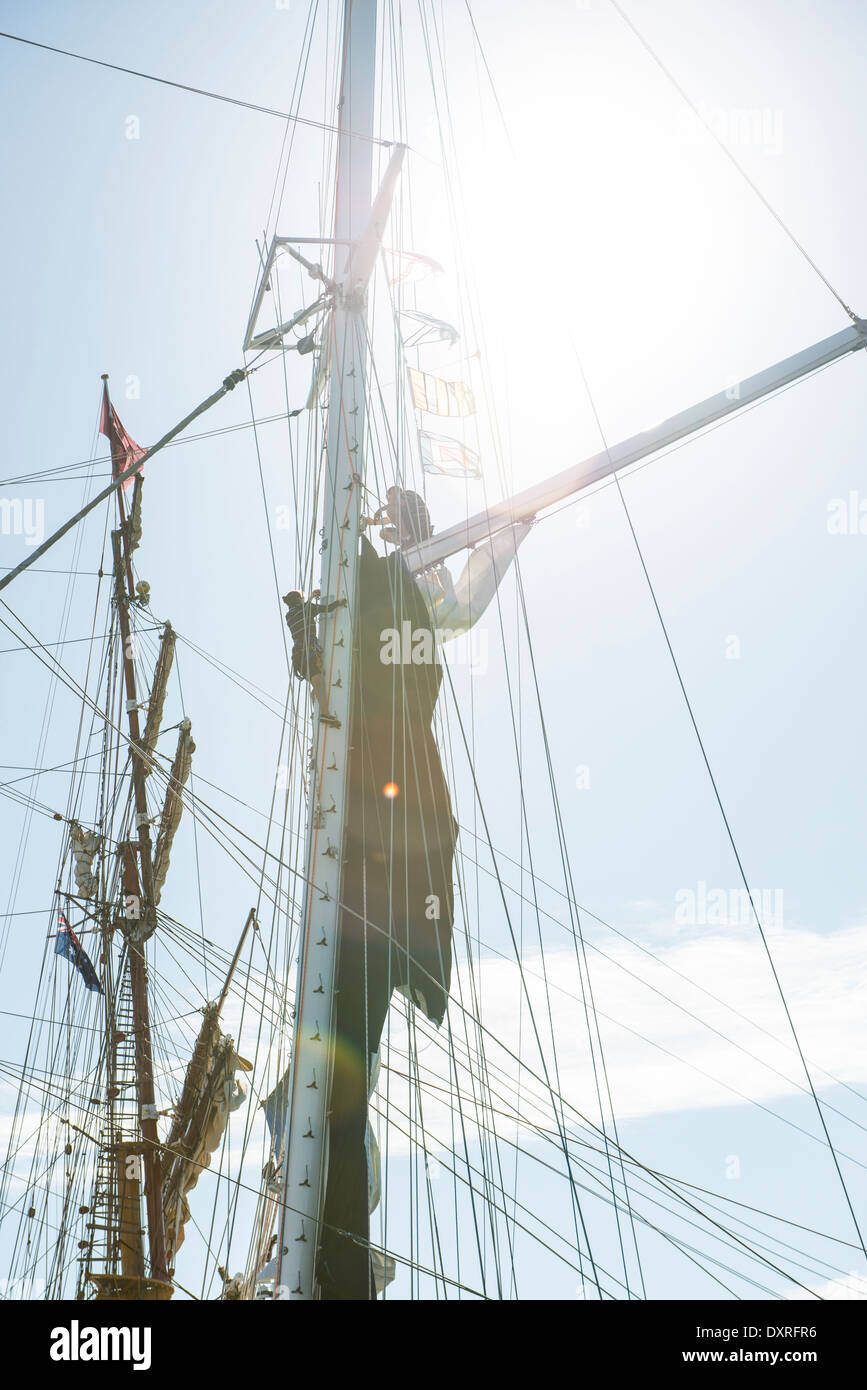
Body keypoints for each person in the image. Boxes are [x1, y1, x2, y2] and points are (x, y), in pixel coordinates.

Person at [292, 486, 532, 1299]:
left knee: (345, 1070)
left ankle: (338, 1258)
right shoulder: (366, 589)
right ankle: (332, 1256)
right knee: (336, 1076)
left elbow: (456, 609)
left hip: (384, 839)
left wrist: (492, 537)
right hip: (361, 831)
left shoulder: (411, 596)